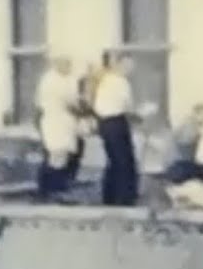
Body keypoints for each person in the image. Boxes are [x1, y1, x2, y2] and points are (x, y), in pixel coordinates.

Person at [93, 51, 139, 206]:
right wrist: (140, 114)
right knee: (124, 160)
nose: (130, 69)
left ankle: (110, 196)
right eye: (128, 65)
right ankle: (124, 197)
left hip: (105, 123)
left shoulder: (106, 80)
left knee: (114, 160)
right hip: (116, 122)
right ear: (119, 65)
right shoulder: (120, 82)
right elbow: (127, 107)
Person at [35, 55, 84, 199]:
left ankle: (58, 188)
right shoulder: (51, 80)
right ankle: (49, 189)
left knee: (65, 155)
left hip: (66, 122)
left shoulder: (69, 79)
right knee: (56, 155)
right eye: (65, 63)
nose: (68, 67)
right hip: (55, 120)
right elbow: (69, 102)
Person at [162, 103, 203, 185]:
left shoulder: (189, 123)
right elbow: (187, 143)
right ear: (197, 113)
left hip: (178, 161)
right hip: (182, 162)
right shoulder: (190, 124)